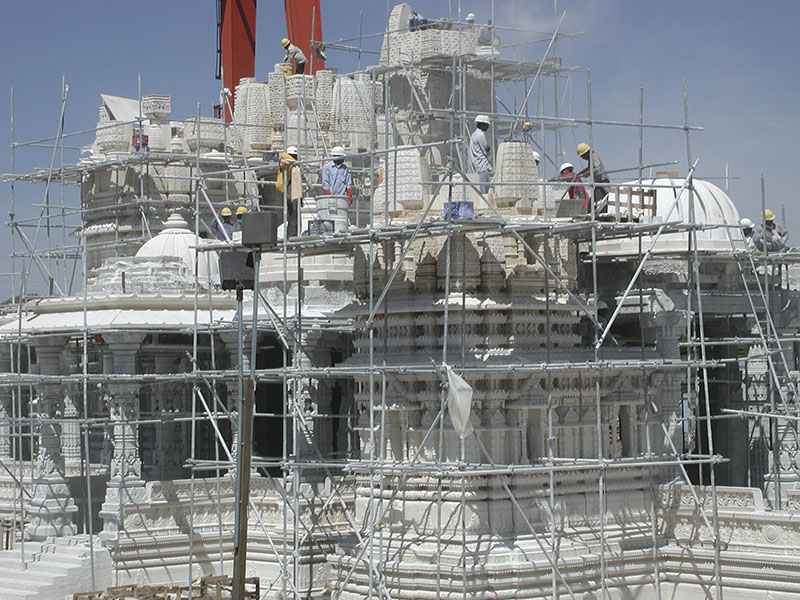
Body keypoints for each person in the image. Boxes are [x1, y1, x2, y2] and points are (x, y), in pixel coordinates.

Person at [277, 146, 303, 237]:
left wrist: (301, 199)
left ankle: (295, 234)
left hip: (295, 190)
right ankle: (291, 236)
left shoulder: (295, 165)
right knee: (292, 215)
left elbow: (298, 182)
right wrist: (286, 193)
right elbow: (285, 181)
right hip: (289, 189)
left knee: (296, 216)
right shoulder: (286, 163)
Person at [576, 142, 610, 211]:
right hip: (598, 183)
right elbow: (589, 168)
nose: (582, 158)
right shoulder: (590, 158)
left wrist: (588, 172)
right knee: (593, 203)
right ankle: (593, 215)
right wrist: (580, 174)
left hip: (602, 182)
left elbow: (598, 168)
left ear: (586, 153)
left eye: (582, 156)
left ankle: (598, 216)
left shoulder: (594, 156)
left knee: (599, 201)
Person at [469, 115, 493, 193]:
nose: (487, 127)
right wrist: (488, 149)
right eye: (487, 125)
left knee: (479, 186)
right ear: (482, 124)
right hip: (482, 165)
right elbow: (485, 150)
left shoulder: (473, 135)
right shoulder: (480, 135)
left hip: (476, 164)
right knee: (484, 189)